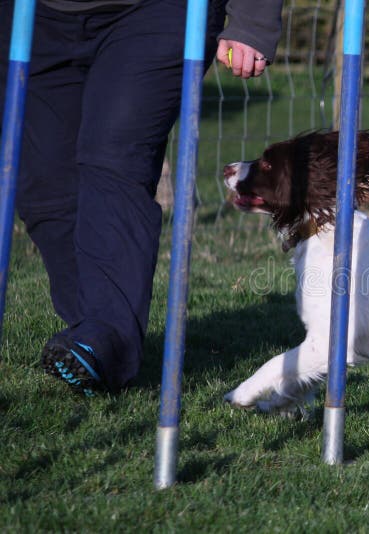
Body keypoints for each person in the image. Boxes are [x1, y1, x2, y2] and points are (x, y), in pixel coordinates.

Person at [0, 0, 284, 396]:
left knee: (114, 159)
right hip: (34, 15)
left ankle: (103, 340)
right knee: (45, 184)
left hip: (158, 11)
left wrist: (253, 21)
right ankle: (90, 335)